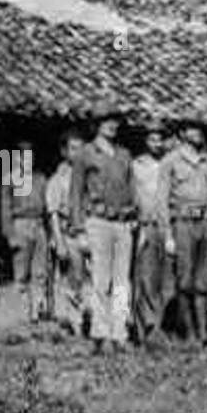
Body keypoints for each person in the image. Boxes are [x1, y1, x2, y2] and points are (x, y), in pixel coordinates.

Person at [69, 108, 137, 352]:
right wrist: (78, 230)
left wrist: (133, 215)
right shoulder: (86, 154)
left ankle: (120, 332)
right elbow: (75, 193)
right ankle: (100, 332)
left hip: (122, 223)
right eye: (105, 120)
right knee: (100, 280)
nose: (111, 125)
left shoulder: (124, 154)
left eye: (114, 120)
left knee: (122, 282)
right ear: (96, 124)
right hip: (97, 221)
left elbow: (132, 189)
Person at [160, 121, 207, 344]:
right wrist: (168, 234)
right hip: (183, 223)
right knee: (184, 280)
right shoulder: (171, 161)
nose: (197, 133)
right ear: (182, 133)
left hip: (206, 224)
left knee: (204, 280)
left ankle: (204, 333)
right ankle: (187, 333)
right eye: (191, 129)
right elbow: (162, 201)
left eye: (199, 129)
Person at [131, 122, 172, 345]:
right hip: (146, 225)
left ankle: (159, 323)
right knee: (145, 277)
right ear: (146, 141)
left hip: (166, 226)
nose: (156, 143)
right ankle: (145, 326)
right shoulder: (136, 165)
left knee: (167, 280)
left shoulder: (170, 163)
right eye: (152, 139)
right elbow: (133, 196)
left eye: (160, 139)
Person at [0, 138, 49, 322]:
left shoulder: (40, 178)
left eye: (31, 157)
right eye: (24, 157)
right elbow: (5, 208)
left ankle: (38, 311)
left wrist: (49, 233)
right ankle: (22, 313)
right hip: (20, 224)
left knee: (40, 271)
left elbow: (47, 206)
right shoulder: (11, 178)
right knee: (21, 271)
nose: (28, 161)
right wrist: (9, 234)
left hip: (39, 225)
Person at [47, 130, 89, 335]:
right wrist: (59, 241)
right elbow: (53, 213)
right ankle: (75, 323)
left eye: (81, 148)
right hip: (69, 233)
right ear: (64, 151)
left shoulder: (90, 176)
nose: (78, 152)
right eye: (73, 148)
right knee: (73, 279)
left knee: (92, 280)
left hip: (89, 233)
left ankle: (93, 320)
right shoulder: (58, 179)